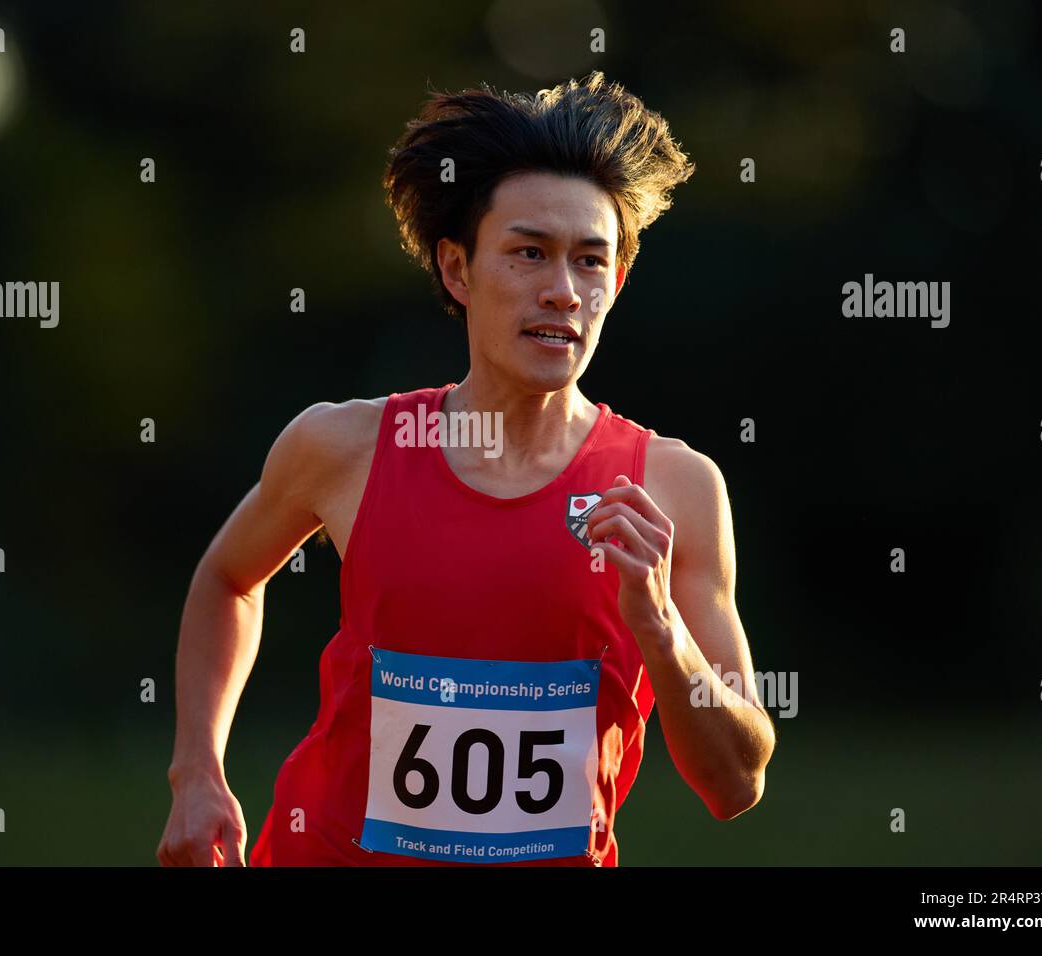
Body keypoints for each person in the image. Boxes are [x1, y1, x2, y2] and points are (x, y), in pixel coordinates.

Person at [157, 71, 775, 868]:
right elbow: (228, 580)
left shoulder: (675, 488)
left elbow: (735, 783)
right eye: (528, 254)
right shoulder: (345, 448)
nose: (562, 291)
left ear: (615, 284)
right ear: (457, 269)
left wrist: (659, 629)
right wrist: (196, 771)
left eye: (590, 262)